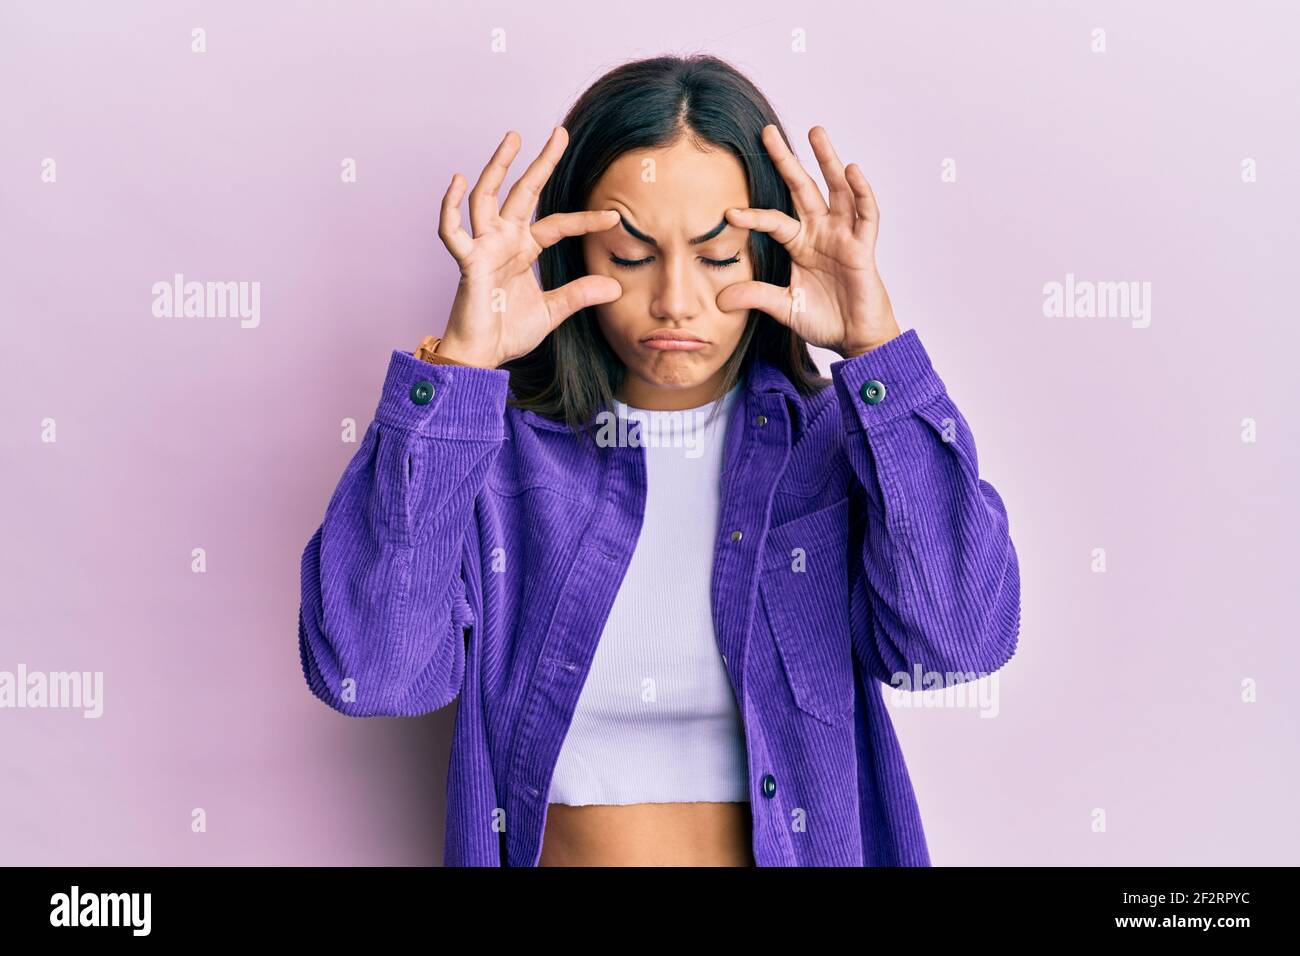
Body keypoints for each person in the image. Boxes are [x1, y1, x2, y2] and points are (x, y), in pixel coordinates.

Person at [297, 53, 1021, 867]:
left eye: (717, 257)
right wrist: (461, 371)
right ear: (573, 253)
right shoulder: (496, 463)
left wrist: (876, 348)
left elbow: (957, 642)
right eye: (633, 256)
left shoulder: (831, 448)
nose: (676, 299)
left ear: (771, 257)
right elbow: (373, 669)